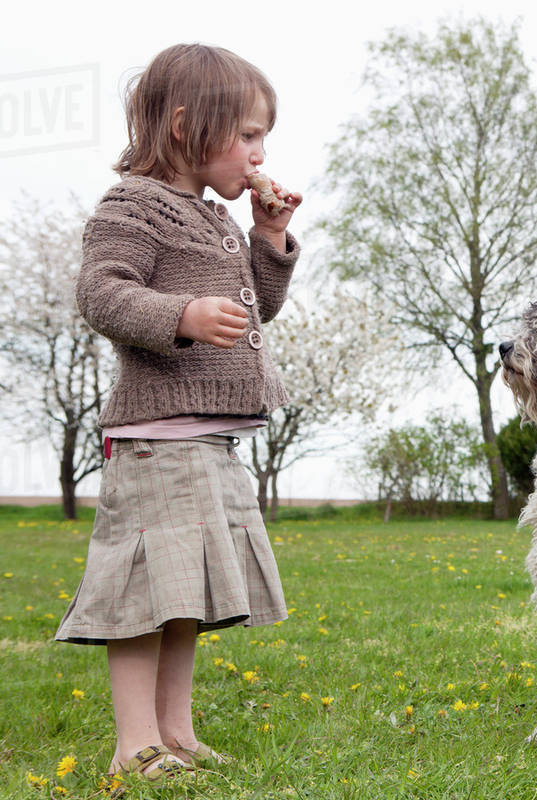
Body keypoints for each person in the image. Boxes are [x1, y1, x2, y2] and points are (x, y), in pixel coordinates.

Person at [55, 43, 302, 785]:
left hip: (210, 440)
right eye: (249, 134)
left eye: (264, 136)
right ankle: (134, 743)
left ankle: (176, 731)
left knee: (183, 593)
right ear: (188, 125)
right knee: (143, 591)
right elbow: (101, 294)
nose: (261, 152)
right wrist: (182, 314)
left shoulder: (215, 219)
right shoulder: (133, 205)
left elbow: (263, 307)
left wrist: (266, 238)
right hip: (156, 442)